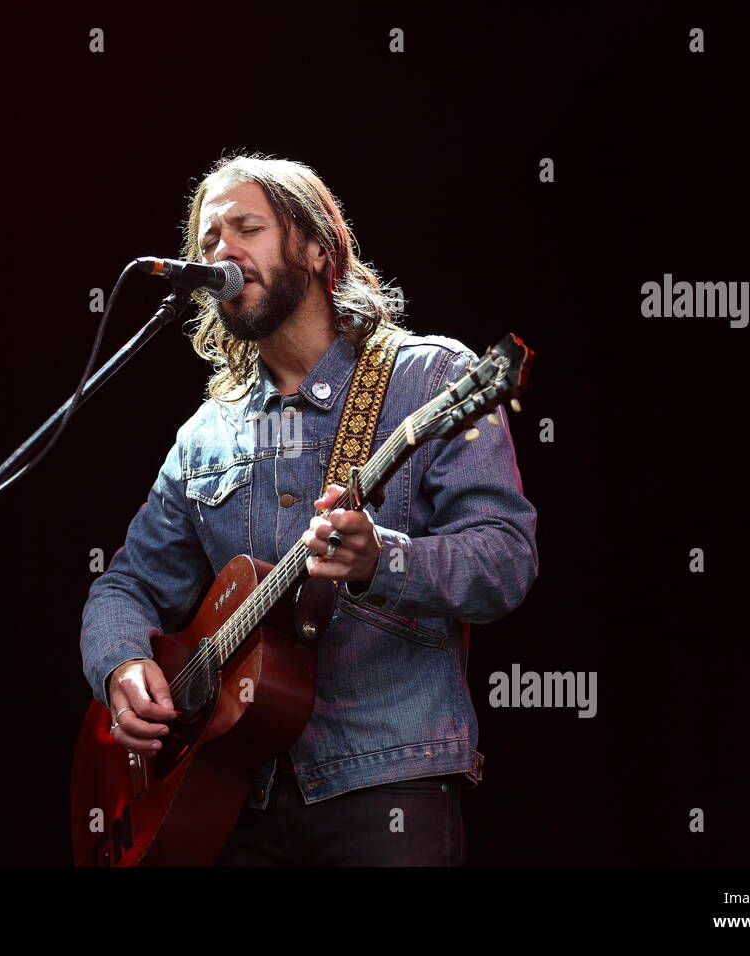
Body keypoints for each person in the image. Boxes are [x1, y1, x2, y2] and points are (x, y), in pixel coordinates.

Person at [79, 154, 538, 865]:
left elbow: (505, 561)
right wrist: (121, 666)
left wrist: (384, 558)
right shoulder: (208, 433)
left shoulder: (430, 378)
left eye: (247, 228)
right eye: (207, 241)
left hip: (384, 783)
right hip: (231, 798)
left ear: (320, 248)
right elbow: (125, 584)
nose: (220, 251)